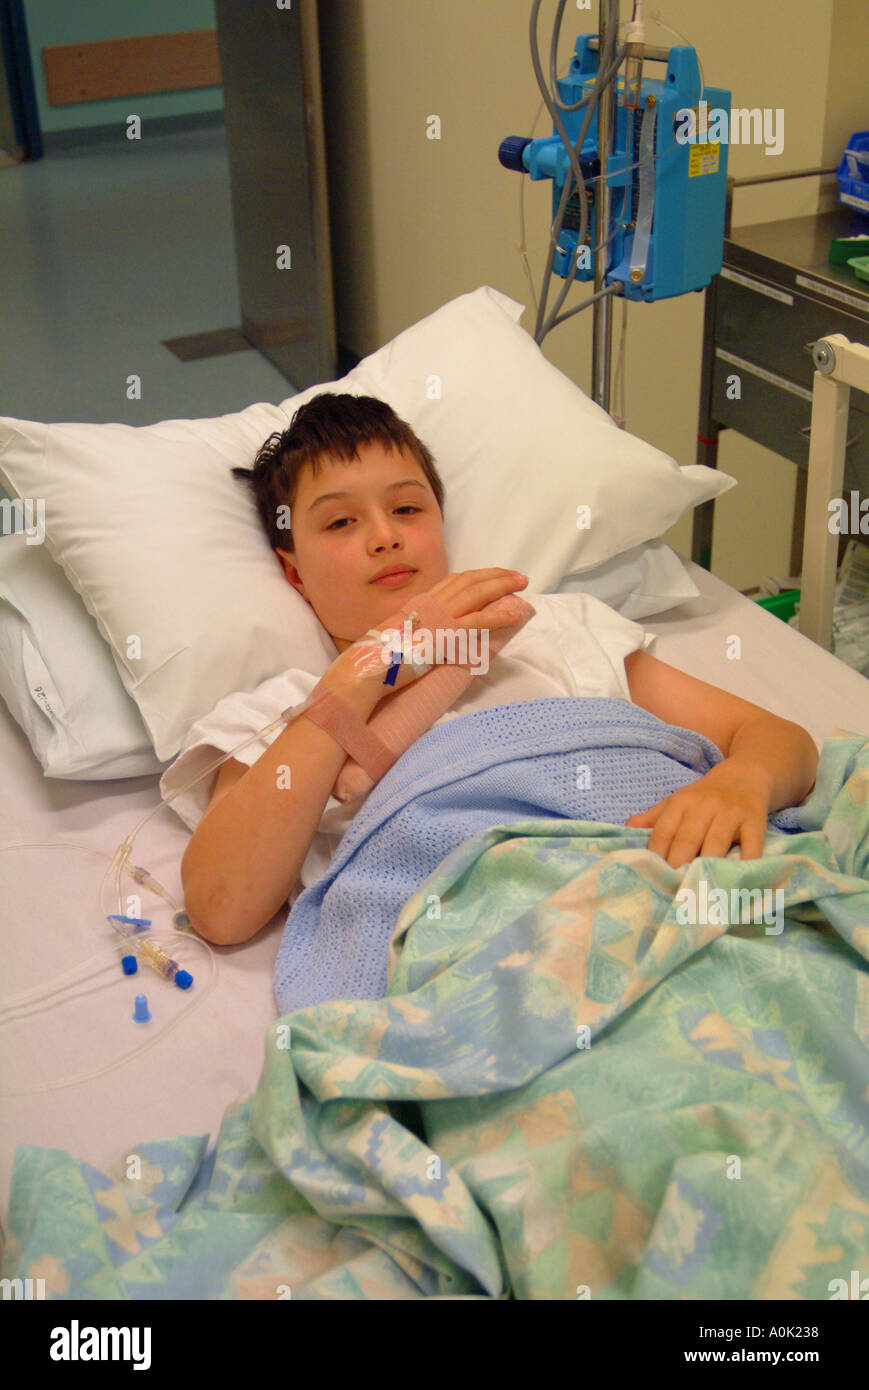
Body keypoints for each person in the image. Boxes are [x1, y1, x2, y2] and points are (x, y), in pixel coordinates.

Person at [168, 393, 818, 946]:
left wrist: (740, 782)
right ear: (294, 573)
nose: (384, 536)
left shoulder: (553, 629)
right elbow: (223, 906)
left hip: (684, 886)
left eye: (406, 509)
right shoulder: (279, 716)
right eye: (340, 521)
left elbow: (775, 737)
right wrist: (364, 674)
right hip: (512, 948)